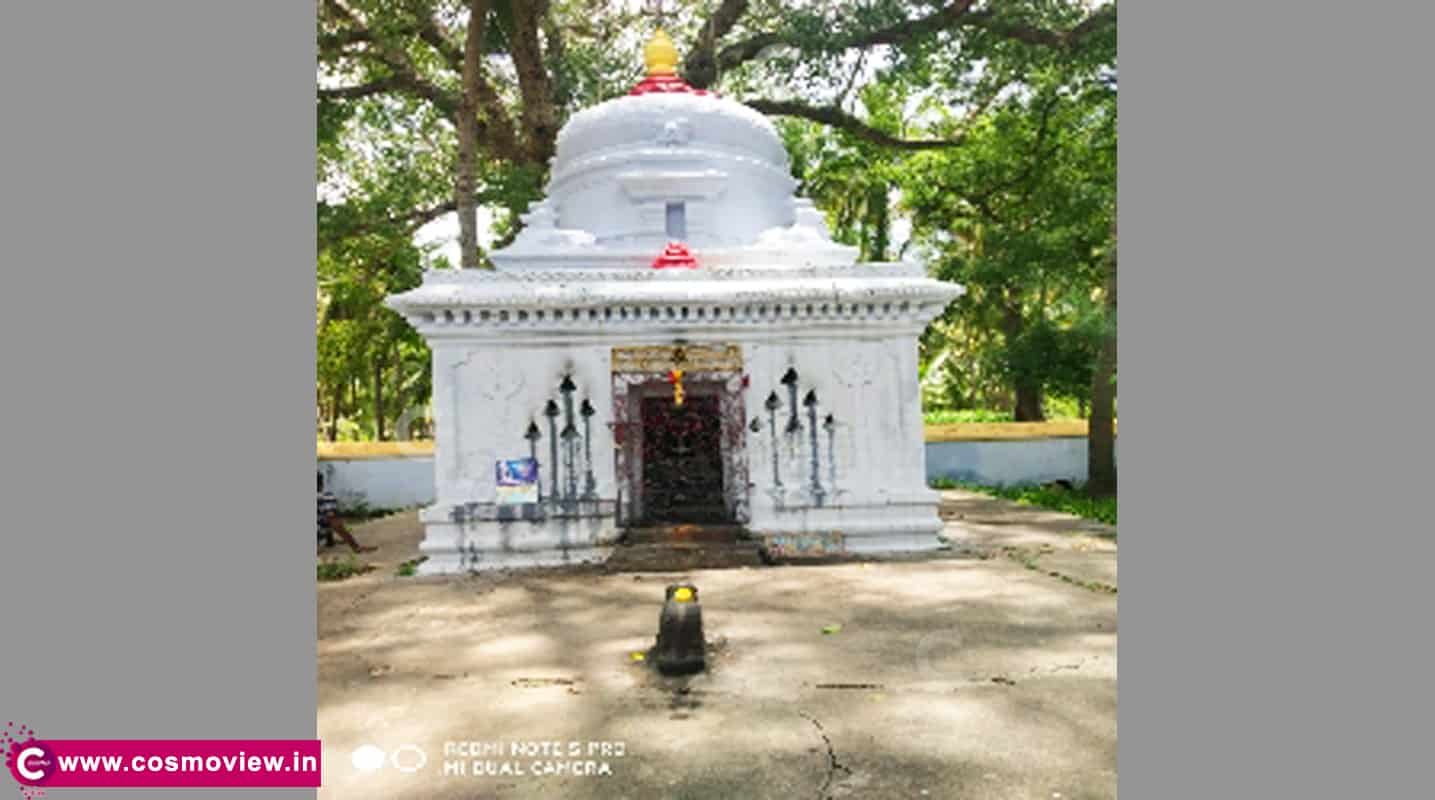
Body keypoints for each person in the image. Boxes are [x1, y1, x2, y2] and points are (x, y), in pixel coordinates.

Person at [318, 472, 377, 553]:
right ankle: (329, 542)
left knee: (323, 514)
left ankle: (329, 541)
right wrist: (355, 546)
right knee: (330, 515)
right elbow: (335, 522)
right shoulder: (325, 497)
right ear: (322, 484)